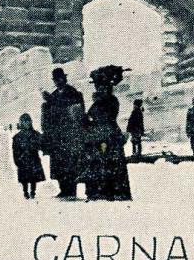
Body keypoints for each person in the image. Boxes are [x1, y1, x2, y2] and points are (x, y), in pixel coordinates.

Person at [80, 65, 132, 201]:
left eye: (102, 86)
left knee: (108, 164)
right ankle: (102, 190)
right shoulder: (98, 103)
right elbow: (91, 119)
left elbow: (106, 118)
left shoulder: (110, 101)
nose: (99, 89)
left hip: (107, 136)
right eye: (98, 87)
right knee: (101, 164)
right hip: (100, 136)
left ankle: (112, 191)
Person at [41, 67, 86, 198]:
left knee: (70, 163)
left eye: (60, 78)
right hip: (57, 135)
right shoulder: (54, 94)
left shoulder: (72, 92)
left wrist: (51, 101)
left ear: (64, 78)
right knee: (58, 164)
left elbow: (73, 109)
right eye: (56, 79)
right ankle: (63, 189)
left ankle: (71, 190)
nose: (58, 81)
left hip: (69, 135)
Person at [12, 113, 46, 199]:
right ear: (21, 123)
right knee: (24, 178)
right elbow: (15, 150)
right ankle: (25, 192)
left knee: (33, 178)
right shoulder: (17, 137)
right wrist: (17, 160)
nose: (27, 123)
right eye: (24, 121)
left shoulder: (35, 134)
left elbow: (41, 144)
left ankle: (33, 192)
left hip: (33, 158)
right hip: (23, 159)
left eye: (28, 121)